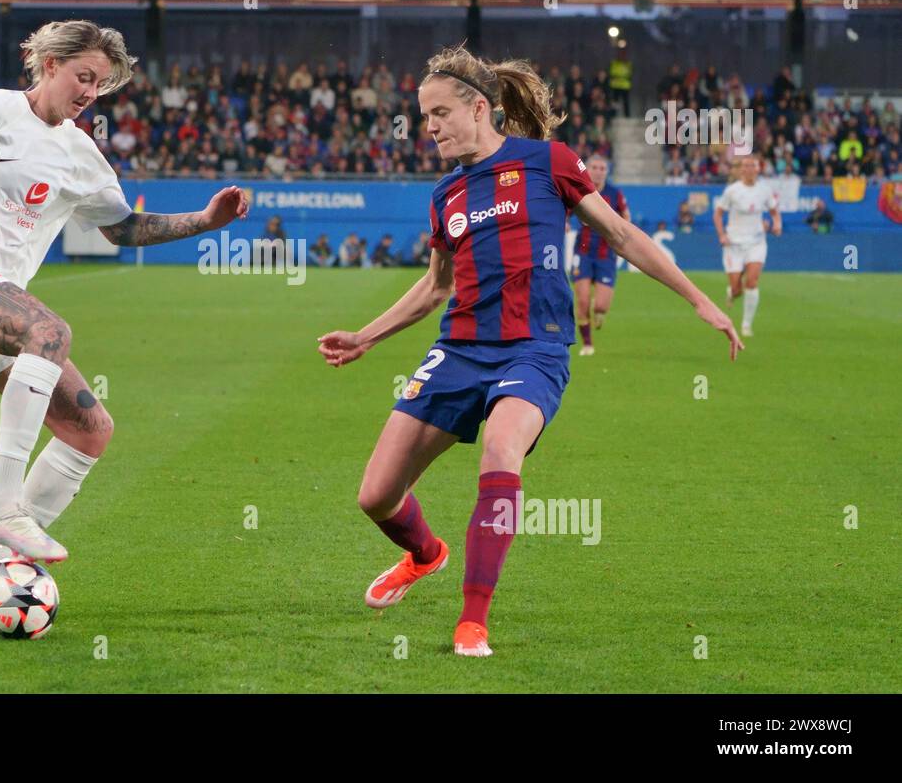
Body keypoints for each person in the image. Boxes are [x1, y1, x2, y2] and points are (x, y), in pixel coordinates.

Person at [317, 45, 740, 658]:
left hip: (533, 349)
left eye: (438, 113)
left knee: (501, 445)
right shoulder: (445, 195)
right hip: (459, 349)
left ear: (479, 108)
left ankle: (472, 621)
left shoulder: (548, 163)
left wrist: (698, 299)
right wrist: (365, 336)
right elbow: (437, 286)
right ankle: (426, 554)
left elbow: (620, 235)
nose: (427, 127)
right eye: (424, 115)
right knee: (375, 496)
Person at [0, 20, 248, 584]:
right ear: (50, 64)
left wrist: (204, 221)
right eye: (84, 77)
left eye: (100, 86)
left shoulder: (80, 154)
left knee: (90, 429)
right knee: (49, 332)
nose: (89, 93)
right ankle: (2, 511)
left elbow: (123, 228)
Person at [713, 154, 781, 337]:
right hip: (734, 243)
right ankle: (732, 291)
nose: (749, 169)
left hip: (756, 242)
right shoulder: (732, 191)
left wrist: (776, 224)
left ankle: (746, 324)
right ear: (741, 169)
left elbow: (774, 212)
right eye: (746, 166)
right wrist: (722, 235)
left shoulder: (765, 190)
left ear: (758, 168)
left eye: (753, 165)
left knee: (752, 281)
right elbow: (718, 214)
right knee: (737, 289)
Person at [570, 155, 630, 356]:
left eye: (602, 168)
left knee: (601, 306)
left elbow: (625, 216)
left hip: (606, 254)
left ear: (607, 171)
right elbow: (566, 210)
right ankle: (587, 344)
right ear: (587, 169)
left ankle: (600, 312)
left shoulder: (614, 194)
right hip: (583, 251)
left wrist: (623, 236)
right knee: (583, 300)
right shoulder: (578, 188)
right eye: (594, 167)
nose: (598, 171)